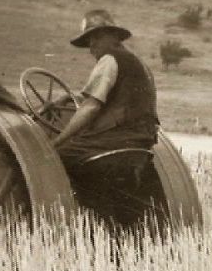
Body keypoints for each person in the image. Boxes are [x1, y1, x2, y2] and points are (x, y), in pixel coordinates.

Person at [54, 10, 159, 169]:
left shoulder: (109, 60)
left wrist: (57, 141)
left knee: (54, 157)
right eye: (89, 39)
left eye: (96, 37)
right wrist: (72, 99)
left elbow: (91, 108)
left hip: (113, 141)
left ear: (114, 36)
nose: (91, 45)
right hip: (142, 143)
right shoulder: (140, 65)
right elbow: (122, 99)